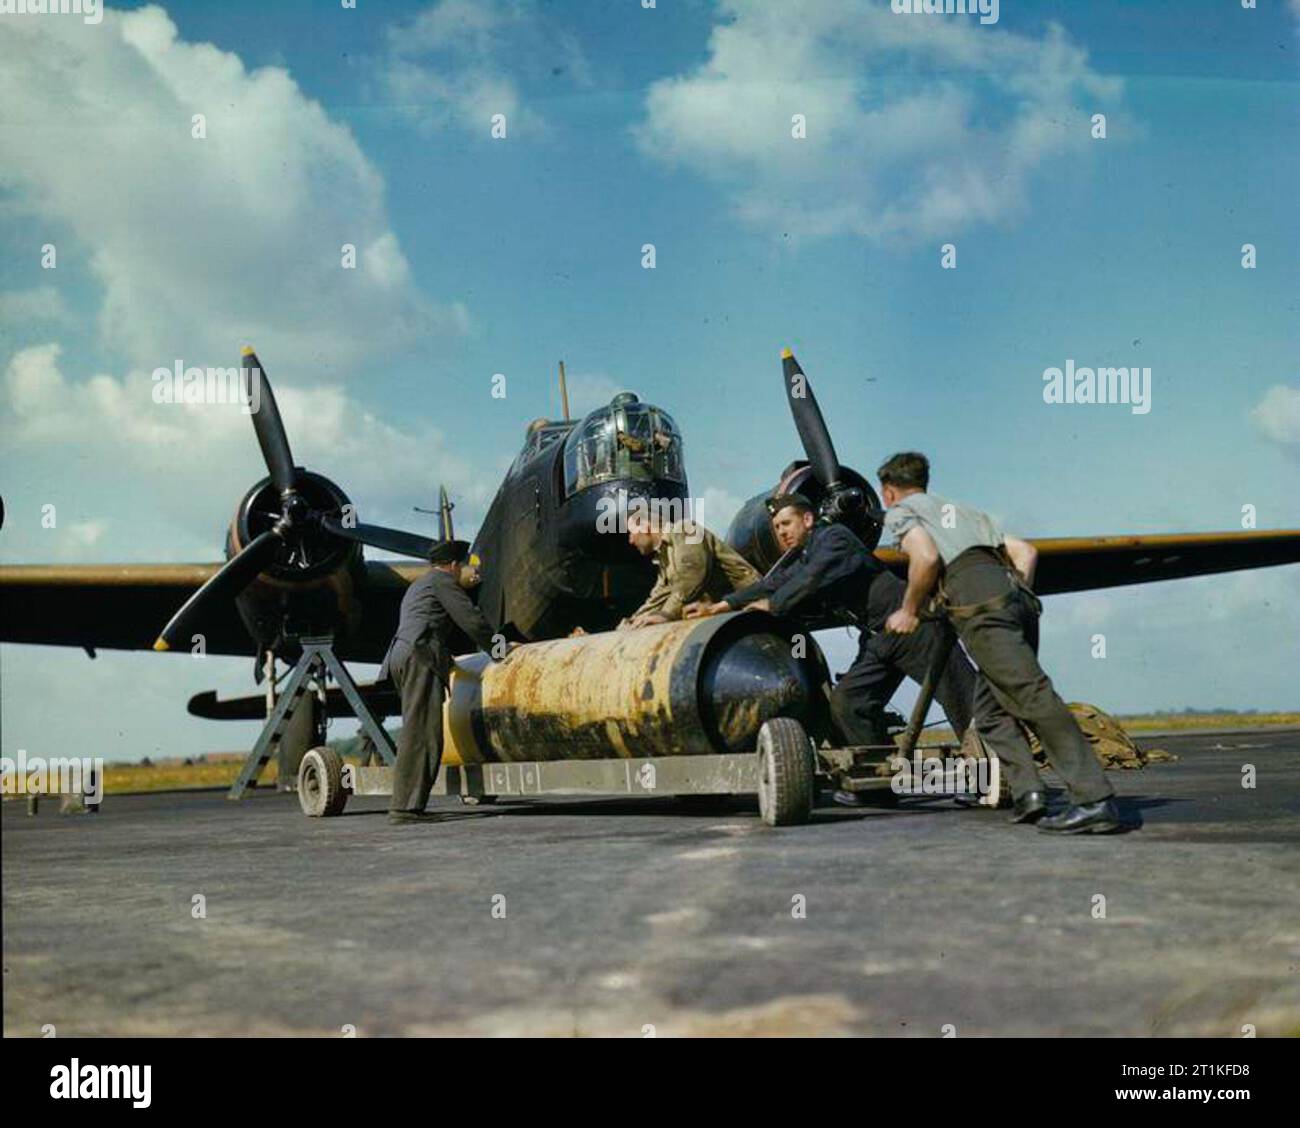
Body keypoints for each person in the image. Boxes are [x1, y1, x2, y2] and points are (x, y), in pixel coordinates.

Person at [876, 451, 1120, 834]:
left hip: (980, 605)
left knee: (1032, 695)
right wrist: (1010, 596)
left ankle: (1094, 800)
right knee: (989, 713)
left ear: (889, 492)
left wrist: (909, 609)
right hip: (1016, 596)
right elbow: (1026, 551)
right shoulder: (963, 510)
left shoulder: (901, 511)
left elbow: (924, 557)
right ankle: (1029, 794)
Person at [687, 493, 976, 803]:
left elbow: (813, 578)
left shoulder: (835, 538)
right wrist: (721, 605)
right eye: (777, 527)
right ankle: (878, 785)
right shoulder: (805, 555)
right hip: (879, 637)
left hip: (913, 624)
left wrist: (774, 605)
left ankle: (998, 780)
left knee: (962, 698)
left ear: (808, 519)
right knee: (848, 703)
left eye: (787, 523)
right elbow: (773, 582)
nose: (781, 532)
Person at [379, 540, 512, 824]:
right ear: (453, 565)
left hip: (402, 655)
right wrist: (500, 649)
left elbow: (424, 622)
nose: (465, 571)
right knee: (423, 734)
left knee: (415, 729)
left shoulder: (420, 585)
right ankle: (405, 809)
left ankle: (405, 804)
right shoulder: (443, 582)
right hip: (419, 655)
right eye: (463, 565)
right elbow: (470, 619)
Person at [621, 509, 759, 627]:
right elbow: (660, 594)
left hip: (753, 605)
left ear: (645, 526)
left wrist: (666, 614)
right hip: (732, 611)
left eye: (631, 532)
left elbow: (691, 577)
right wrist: (633, 620)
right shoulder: (664, 554)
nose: (630, 540)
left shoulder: (686, 530)